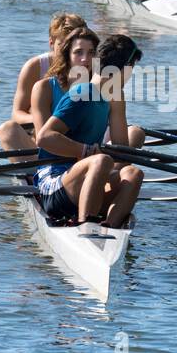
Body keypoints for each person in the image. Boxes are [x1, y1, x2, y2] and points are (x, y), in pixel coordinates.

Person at [34, 34, 145, 228]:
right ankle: (86, 224)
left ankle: (109, 227)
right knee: (101, 160)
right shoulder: (81, 94)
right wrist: (85, 151)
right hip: (54, 184)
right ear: (124, 70)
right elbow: (44, 138)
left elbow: (122, 154)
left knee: (133, 173)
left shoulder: (115, 98)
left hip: (86, 177)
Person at [0, 12, 88, 158]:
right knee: (8, 129)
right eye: (63, 45)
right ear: (51, 43)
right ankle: (35, 173)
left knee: (134, 132)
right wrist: (47, 121)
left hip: (83, 140)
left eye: (74, 46)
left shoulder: (93, 67)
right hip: (44, 140)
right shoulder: (35, 67)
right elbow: (17, 114)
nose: (69, 52)